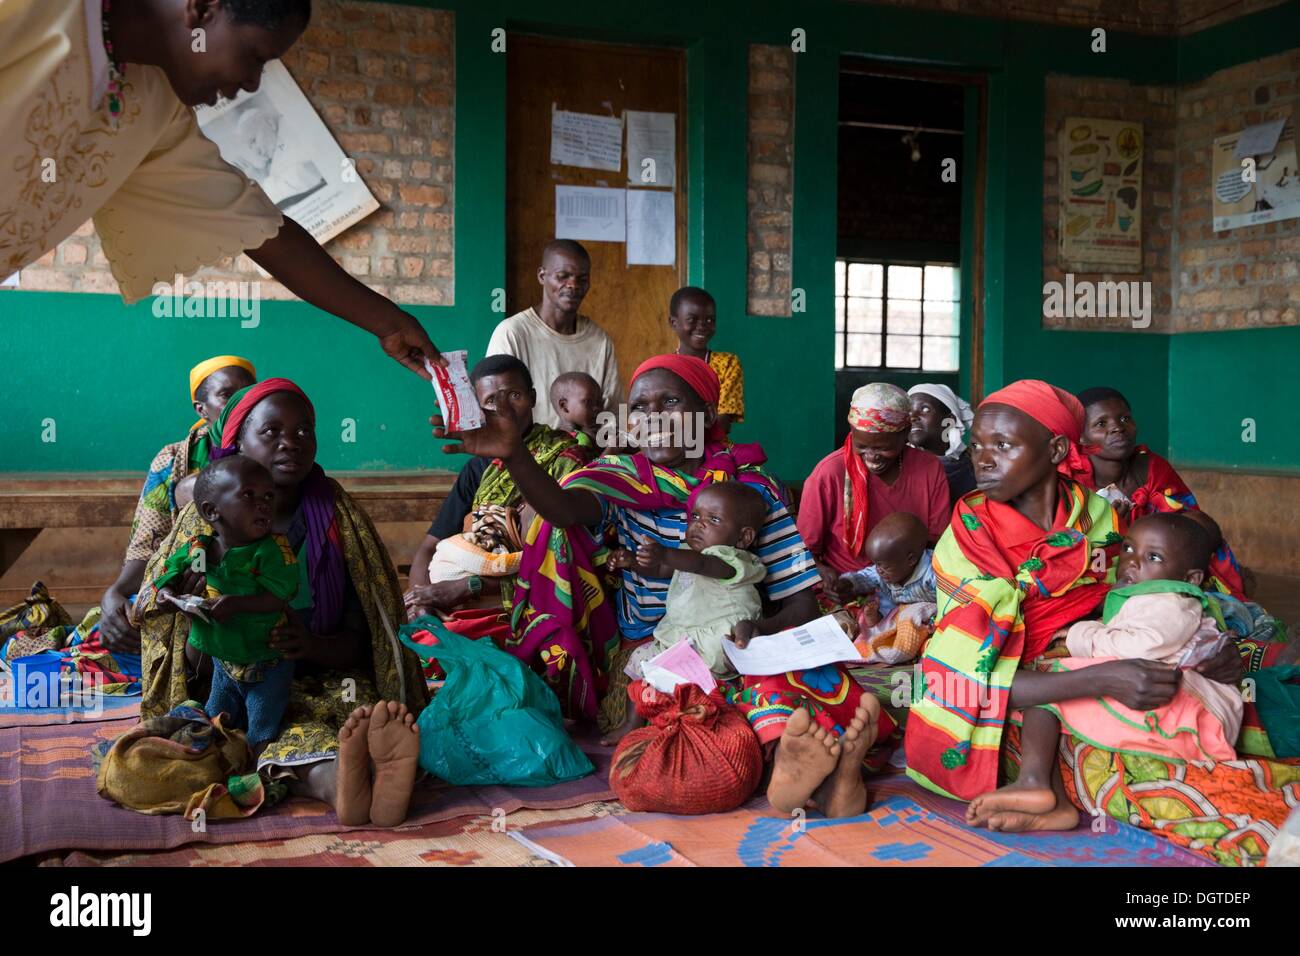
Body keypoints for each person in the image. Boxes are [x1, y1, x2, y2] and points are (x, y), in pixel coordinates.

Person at [435, 354, 891, 819]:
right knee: (704, 712)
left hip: (737, 645)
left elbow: (800, 601)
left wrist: (759, 631)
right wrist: (515, 455)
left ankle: (823, 770)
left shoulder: (751, 491)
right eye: (640, 407)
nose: (652, 418)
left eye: (670, 402)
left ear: (707, 414)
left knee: (781, 683)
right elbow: (563, 510)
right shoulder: (620, 477)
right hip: (656, 649)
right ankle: (805, 766)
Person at [2, 0, 440, 378]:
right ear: (203, 7)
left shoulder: (153, 106)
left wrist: (388, 322)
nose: (251, 83)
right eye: (255, 57)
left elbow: (259, 228)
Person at [903, 380, 1244, 829]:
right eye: (977, 446)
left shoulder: (1098, 518)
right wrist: (1103, 678)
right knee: (942, 684)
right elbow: (963, 673)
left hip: (1097, 651)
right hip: (1016, 678)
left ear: (1057, 450)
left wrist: (1207, 651)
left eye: (1002, 445)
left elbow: (1137, 603)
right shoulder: (966, 539)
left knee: (1204, 682)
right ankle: (1050, 786)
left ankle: (1053, 793)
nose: (982, 460)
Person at [137, 378, 428, 828]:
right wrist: (192, 608)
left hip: (323, 677)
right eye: (271, 432)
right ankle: (341, 781)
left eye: (304, 430)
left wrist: (309, 645)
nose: (291, 442)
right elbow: (176, 650)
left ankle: (352, 775)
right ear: (237, 441)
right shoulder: (203, 523)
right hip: (226, 680)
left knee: (347, 716)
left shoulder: (337, 518)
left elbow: (368, 639)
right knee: (211, 736)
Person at [966, 513, 1243, 833]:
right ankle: (1053, 802)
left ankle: (1034, 781)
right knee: (1050, 691)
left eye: (1153, 557)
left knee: (1052, 682)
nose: (1132, 562)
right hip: (1162, 692)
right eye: (1128, 549)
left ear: (1191, 578)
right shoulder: (1145, 594)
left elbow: (1138, 648)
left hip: (1188, 710)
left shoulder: (1172, 602)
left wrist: (1081, 634)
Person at [403, 356, 592, 624]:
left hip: (537, 603)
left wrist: (470, 586)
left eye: (514, 395)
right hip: (462, 604)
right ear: (478, 409)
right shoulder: (478, 468)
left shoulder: (567, 458)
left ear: (533, 397)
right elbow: (429, 548)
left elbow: (560, 559)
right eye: (491, 401)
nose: (504, 409)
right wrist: (421, 603)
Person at [100, 355, 257, 652]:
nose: (241, 404)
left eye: (248, 394)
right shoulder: (174, 460)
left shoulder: (267, 451)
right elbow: (149, 543)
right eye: (227, 395)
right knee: (114, 627)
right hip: (179, 587)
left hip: (248, 591)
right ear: (201, 408)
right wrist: (114, 593)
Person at [154, 456, 300, 751]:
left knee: (261, 729)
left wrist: (237, 604)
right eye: (248, 495)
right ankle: (217, 757)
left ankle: (259, 765)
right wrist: (166, 592)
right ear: (212, 511)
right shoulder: (201, 548)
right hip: (223, 660)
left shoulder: (271, 550)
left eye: (268, 496)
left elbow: (280, 596)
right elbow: (170, 571)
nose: (263, 504)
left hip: (265, 660)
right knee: (216, 719)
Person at [1068, 386, 1248, 599]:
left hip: (1157, 563)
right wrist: (1110, 528)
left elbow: (1189, 525)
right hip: (1099, 568)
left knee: (1201, 529)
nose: (1117, 428)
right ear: (1081, 437)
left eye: (1125, 419)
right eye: (1101, 423)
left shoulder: (1152, 467)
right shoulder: (1071, 481)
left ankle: (1214, 595)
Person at [797, 383, 950, 591]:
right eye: (861, 446)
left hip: (912, 587)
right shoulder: (829, 473)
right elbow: (802, 553)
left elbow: (938, 542)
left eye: (882, 448)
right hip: (845, 587)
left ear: (905, 433)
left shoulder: (929, 468)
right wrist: (824, 574)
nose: (871, 457)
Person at [610, 481, 768, 681]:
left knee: (673, 674)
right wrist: (632, 561)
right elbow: (660, 569)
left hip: (716, 641)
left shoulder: (733, 560)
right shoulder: (686, 553)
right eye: (695, 516)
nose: (699, 524)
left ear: (744, 537)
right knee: (640, 662)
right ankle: (648, 697)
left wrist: (664, 553)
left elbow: (702, 564)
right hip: (684, 636)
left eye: (714, 519)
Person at [486, 240, 621, 430]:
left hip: (585, 448)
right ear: (542, 276)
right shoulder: (512, 333)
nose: (573, 285)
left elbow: (612, 414)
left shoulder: (599, 341)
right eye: (563, 276)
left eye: (582, 279)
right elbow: (496, 409)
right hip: (526, 447)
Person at [830, 512, 936, 665]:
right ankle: (876, 624)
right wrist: (848, 582)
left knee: (917, 617)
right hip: (893, 609)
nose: (878, 570)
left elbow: (951, 596)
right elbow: (866, 576)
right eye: (875, 564)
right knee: (867, 610)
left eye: (883, 565)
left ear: (911, 559)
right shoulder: (884, 570)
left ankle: (899, 647)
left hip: (924, 612)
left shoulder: (932, 572)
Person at [667, 286, 744, 435]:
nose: (702, 326)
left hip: (711, 446)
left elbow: (722, 424)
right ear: (673, 322)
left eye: (710, 320)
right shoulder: (664, 368)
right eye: (692, 319)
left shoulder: (727, 364)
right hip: (672, 444)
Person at [907, 384, 976, 505]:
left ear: (949, 421)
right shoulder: (900, 467)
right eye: (908, 411)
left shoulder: (974, 467)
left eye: (925, 409)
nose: (912, 417)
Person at [549, 371, 606, 451]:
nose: (597, 408)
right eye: (588, 402)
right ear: (565, 406)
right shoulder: (565, 441)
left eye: (599, 402)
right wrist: (611, 449)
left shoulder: (592, 432)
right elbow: (588, 460)